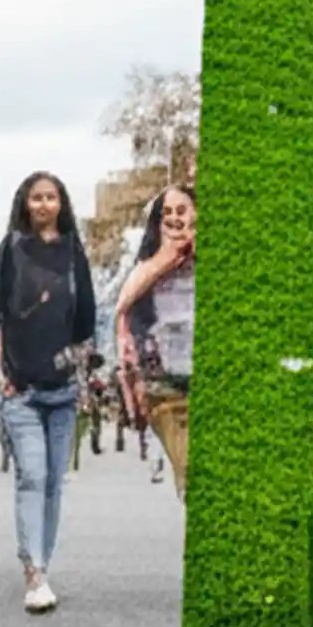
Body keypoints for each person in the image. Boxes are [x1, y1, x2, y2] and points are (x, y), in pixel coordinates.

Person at [0, 171, 97, 614]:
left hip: (63, 386)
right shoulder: (11, 250)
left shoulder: (73, 252)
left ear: (62, 203)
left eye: (52, 197)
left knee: (53, 482)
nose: (45, 204)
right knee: (31, 476)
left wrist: (83, 365)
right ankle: (34, 571)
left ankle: (41, 561)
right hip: (20, 387)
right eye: (37, 197)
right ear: (25, 203)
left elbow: (86, 316)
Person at [114, 184, 196, 499]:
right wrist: (168, 256)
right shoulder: (148, 265)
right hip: (166, 390)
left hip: (209, 381)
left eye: (182, 209)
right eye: (167, 213)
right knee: (190, 473)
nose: (175, 218)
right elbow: (124, 302)